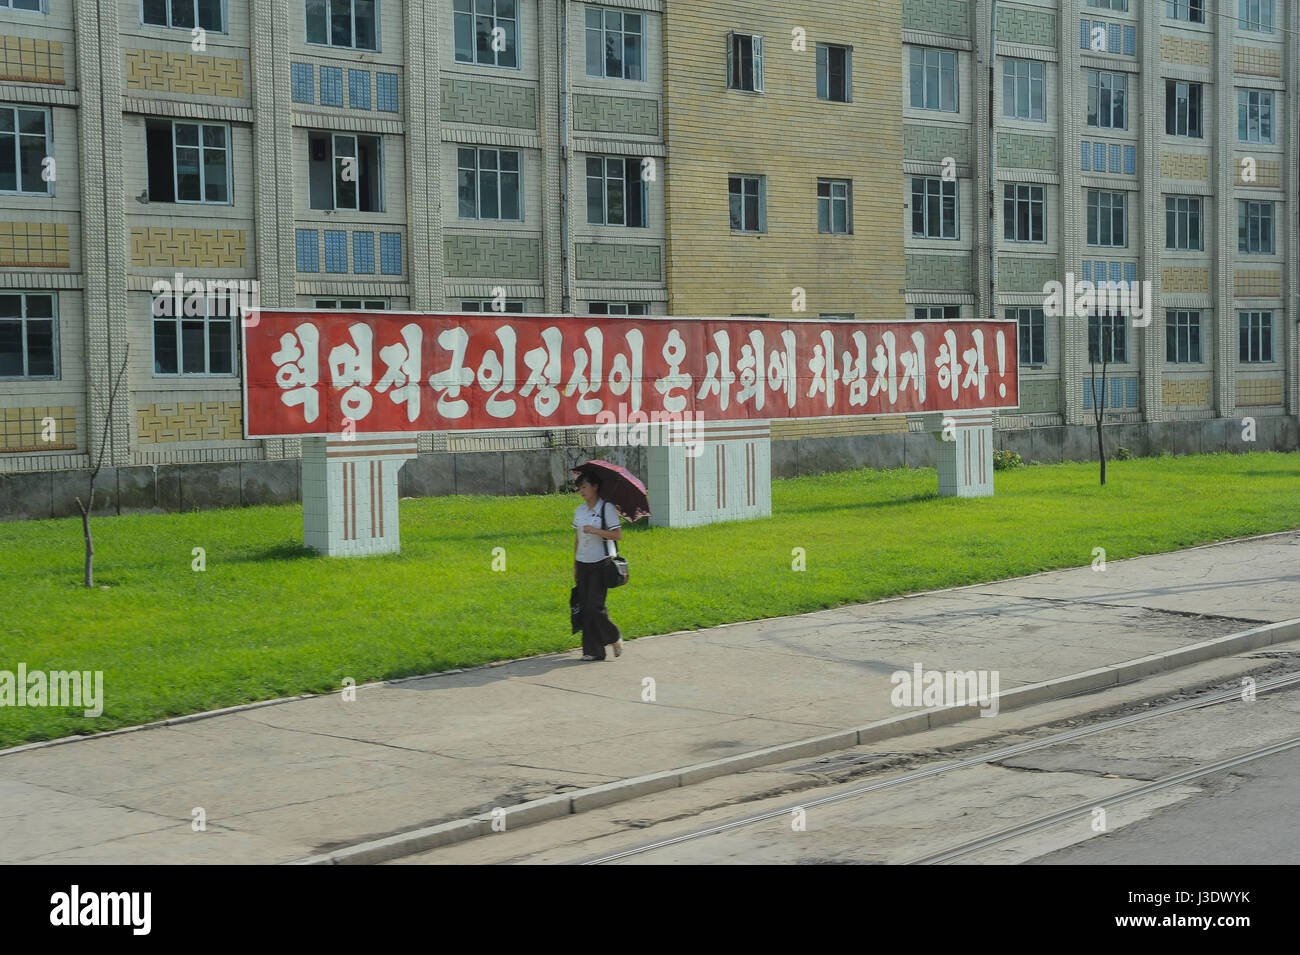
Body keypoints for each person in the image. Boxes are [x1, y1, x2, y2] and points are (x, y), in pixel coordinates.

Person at [572, 471, 624, 662]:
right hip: (583, 562)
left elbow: (617, 535)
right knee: (585, 607)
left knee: (595, 606)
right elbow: (577, 538)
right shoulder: (579, 510)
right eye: (579, 488)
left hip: (601, 563)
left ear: (595, 487)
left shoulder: (606, 508)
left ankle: (614, 637)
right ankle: (593, 651)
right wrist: (575, 564)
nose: (581, 491)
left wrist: (595, 531)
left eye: (584, 486)